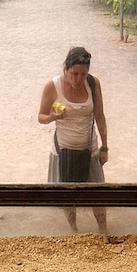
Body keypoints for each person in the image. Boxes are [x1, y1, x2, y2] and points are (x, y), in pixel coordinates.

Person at [38, 46, 109, 234]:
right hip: (63, 150)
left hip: (90, 149)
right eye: (74, 74)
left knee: (98, 194)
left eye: (83, 74)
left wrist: (105, 147)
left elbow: (99, 115)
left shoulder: (93, 83)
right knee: (67, 195)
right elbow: (41, 116)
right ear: (65, 68)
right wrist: (53, 117)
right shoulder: (52, 86)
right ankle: (74, 230)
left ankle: (103, 230)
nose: (78, 79)